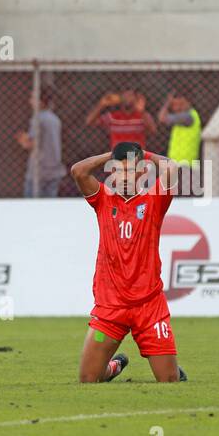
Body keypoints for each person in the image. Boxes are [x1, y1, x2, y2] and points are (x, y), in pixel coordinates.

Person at [71, 143, 188, 383]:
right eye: (119, 171)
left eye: (130, 171)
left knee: (169, 381)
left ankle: (174, 371)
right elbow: (78, 171)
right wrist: (111, 155)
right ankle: (114, 367)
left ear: (143, 172)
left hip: (149, 308)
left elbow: (172, 167)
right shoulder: (103, 199)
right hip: (110, 309)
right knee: (88, 379)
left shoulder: (155, 200)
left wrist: (143, 154)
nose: (124, 176)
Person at [16, 88, 66, 197]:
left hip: (38, 171)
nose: (30, 101)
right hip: (54, 170)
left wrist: (21, 138)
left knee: (30, 206)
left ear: (41, 101)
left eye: (33, 98)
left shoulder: (38, 119)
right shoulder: (54, 119)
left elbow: (31, 144)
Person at [87, 90, 156, 148]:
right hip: (118, 156)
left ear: (135, 99)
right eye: (125, 95)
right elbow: (89, 122)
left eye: (130, 95)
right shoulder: (113, 117)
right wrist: (101, 105)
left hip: (136, 156)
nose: (127, 97)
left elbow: (153, 130)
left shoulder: (142, 116)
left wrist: (142, 111)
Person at [158, 92, 201, 165]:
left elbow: (162, 118)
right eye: (174, 105)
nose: (177, 108)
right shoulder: (181, 117)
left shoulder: (187, 117)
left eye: (181, 104)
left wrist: (167, 103)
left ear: (189, 102)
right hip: (178, 163)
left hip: (186, 164)